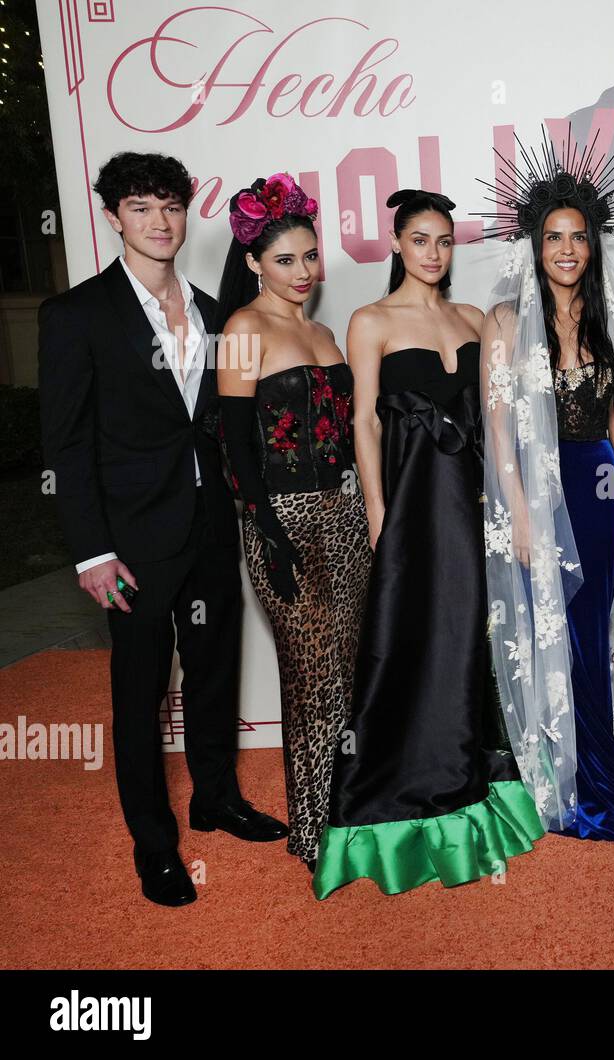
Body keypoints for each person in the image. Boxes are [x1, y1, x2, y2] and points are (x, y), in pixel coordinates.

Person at [38, 152, 286, 908]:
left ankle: (215, 798)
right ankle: (155, 843)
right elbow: (67, 446)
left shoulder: (214, 310)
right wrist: (91, 550)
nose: (159, 221)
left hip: (211, 524)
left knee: (214, 671)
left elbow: (216, 424)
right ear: (114, 217)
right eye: (141, 206)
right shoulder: (77, 316)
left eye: (171, 206)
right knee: (140, 693)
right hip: (130, 541)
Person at [313, 189, 544, 898]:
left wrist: (517, 505)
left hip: (473, 508)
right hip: (413, 511)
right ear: (397, 243)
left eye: (444, 241)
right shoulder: (370, 321)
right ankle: (397, 800)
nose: (434, 253)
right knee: (407, 644)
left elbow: (498, 423)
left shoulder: (474, 319)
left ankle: (468, 786)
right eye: (420, 240)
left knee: (468, 641)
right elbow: (364, 425)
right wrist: (377, 512)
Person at [479, 136, 614, 841]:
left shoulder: (611, 320)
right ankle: (580, 780)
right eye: (554, 237)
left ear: (593, 245)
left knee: (597, 633)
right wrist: (521, 519)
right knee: (560, 635)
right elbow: (499, 432)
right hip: (543, 495)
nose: (567, 249)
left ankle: (611, 773)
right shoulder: (505, 323)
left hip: (601, 489)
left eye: (578, 237)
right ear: (534, 245)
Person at [217, 173, 371, 872]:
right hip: (284, 519)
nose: (303, 271)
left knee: (352, 668)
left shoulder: (323, 329)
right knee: (311, 678)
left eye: (310, 256)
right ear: (252, 261)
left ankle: (353, 812)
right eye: (285, 259)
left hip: (346, 514)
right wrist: (266, 533)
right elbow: (235, 444)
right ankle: (313, 833)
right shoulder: (244, 328)